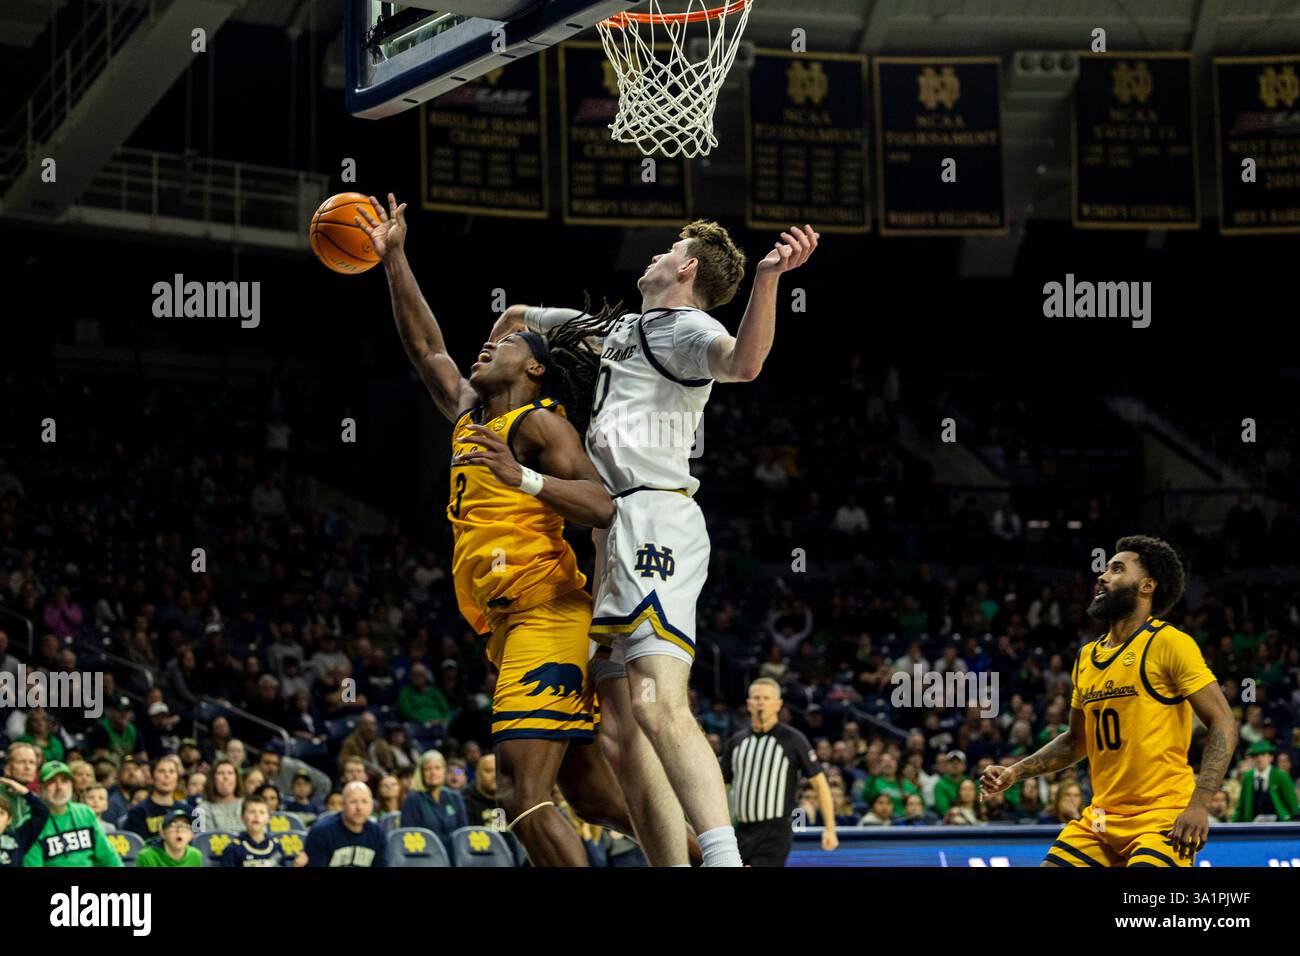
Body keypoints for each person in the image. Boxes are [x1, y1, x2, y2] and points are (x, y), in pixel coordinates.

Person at [495, 219, 819, 866]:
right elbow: (518, 315)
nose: (656, 252)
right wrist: (503, 354)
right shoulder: (613, 330)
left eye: (670, 249)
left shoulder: (690, 329)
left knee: (660, 703)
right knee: (622, 732)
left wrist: (766, 280)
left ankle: (725, 861)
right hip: (611, 529)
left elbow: (745, 363)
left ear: (688, 270)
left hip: (654, 518)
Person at [360, 193, 672, 867]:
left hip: (546, 617)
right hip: (509, 626)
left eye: (505, 343)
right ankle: (707, 855)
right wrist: (394, 258)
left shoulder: (539, 425)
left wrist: (525, 479)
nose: (488, 343)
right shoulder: (473, 415)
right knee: (589, 796)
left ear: (533, 368)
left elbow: (602, 503)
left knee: (518, 793)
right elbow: (425, 344)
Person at [982, 536, 1238, 867]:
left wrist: (1200, 804)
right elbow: (1077, 741)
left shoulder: (1170, 643)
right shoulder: (1087, 656)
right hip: (1101, 821)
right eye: (1104, 570)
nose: (1102, 577)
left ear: (1147, 585)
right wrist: (1015, 772)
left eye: (1116, 569)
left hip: (1162, 816)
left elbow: (1223, 721)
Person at [720, 678, 837, 866]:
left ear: (778, 704)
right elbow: (722, 787)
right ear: (748, 704)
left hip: (774, 832)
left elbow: (820, 784)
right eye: (756, 698)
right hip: (741, 830)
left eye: (766, 698)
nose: (760, 702)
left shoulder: (792, 739)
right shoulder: (736, 741)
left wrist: (830, 828)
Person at [23, 761, 122, 866]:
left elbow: (108, 857)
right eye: (52, 781)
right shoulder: (30, 823)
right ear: (40, 788)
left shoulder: (85, 813)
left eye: (64, 781)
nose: (59, 787)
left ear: (71, 785)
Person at [302, 781, 387, 867]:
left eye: (364, 802)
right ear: (343, 805)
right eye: (353, 802)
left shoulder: (378, 833)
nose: (359, 808)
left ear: (372, 805)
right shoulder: (321, 832)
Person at [400, 750, 466, 859]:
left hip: (455, 856)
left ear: (444, 770)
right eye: (428, 769)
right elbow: (407, 835)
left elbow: (462, 833)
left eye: (437, 768)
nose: (433, 772)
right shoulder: (413, 799)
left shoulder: (455, 797)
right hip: (424, 858)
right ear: (421, 773)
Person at [1233, 741, 1299, 822]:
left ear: (1271, 757)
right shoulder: (1248, 777)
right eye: (1256, 756)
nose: (1259, 758)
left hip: (1279, 824)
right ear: (1252, 759)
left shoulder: (1280, 776)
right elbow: (1242, 805)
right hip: (1253, 825)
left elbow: (1292, 804)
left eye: (1263, 755)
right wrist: (1233, 825)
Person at [222, 795, 295, 867]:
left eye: (262, 812)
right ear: (242, 817)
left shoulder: (276, 846)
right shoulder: (233, 849)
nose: (257, 815)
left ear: (268, 818)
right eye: (252, 812)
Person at [122, 754, 183, 838]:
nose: (167, 775)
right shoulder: (138, 812)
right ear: (152, 777)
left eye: (171, 771)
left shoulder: (189, 811)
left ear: (177, 779)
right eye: (162, 771)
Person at [0, 775, 49, 866]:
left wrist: (25, 792)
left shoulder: (19, 838)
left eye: (1, 813)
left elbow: (42, 812)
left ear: (9, 820)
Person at [136, 807, 203, 867]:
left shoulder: (195, 856)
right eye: (173, 825)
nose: (179, 830)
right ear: (162, 833)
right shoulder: (146, 856)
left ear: (192, 834)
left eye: (185, 826)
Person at [194, 758, 244, 833]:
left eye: (230, 773)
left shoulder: (247, 804)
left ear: (236, 778)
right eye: (220, 773)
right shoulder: (203, 809)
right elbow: (206, 839)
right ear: (213, 779)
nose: (225, 777)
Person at [461, 752, 498, 828]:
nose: (495, 775)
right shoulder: (464, 801)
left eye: (498, 770)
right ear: (477, 774)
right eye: (489, 771)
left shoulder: (512, 798)